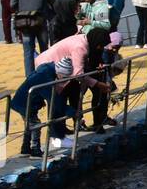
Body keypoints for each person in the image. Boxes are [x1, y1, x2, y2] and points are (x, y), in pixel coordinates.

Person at [11, 27, 110, 155]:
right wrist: (96, 85)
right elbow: (76, 75)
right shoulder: (79, 48)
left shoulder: (52, 70)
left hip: (25, 101)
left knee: (30, 124)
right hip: (25, 102)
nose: (100, 49)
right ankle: (38, 148)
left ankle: (27, 148)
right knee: (36, 125)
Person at [9, 0, 55, 76]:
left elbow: (12, 4)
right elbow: (54, 2)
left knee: (28, 51)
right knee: (45, 50)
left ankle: (29, 77)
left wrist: (22, 10)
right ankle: (45, 74)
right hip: (41, 22)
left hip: (24, 23)